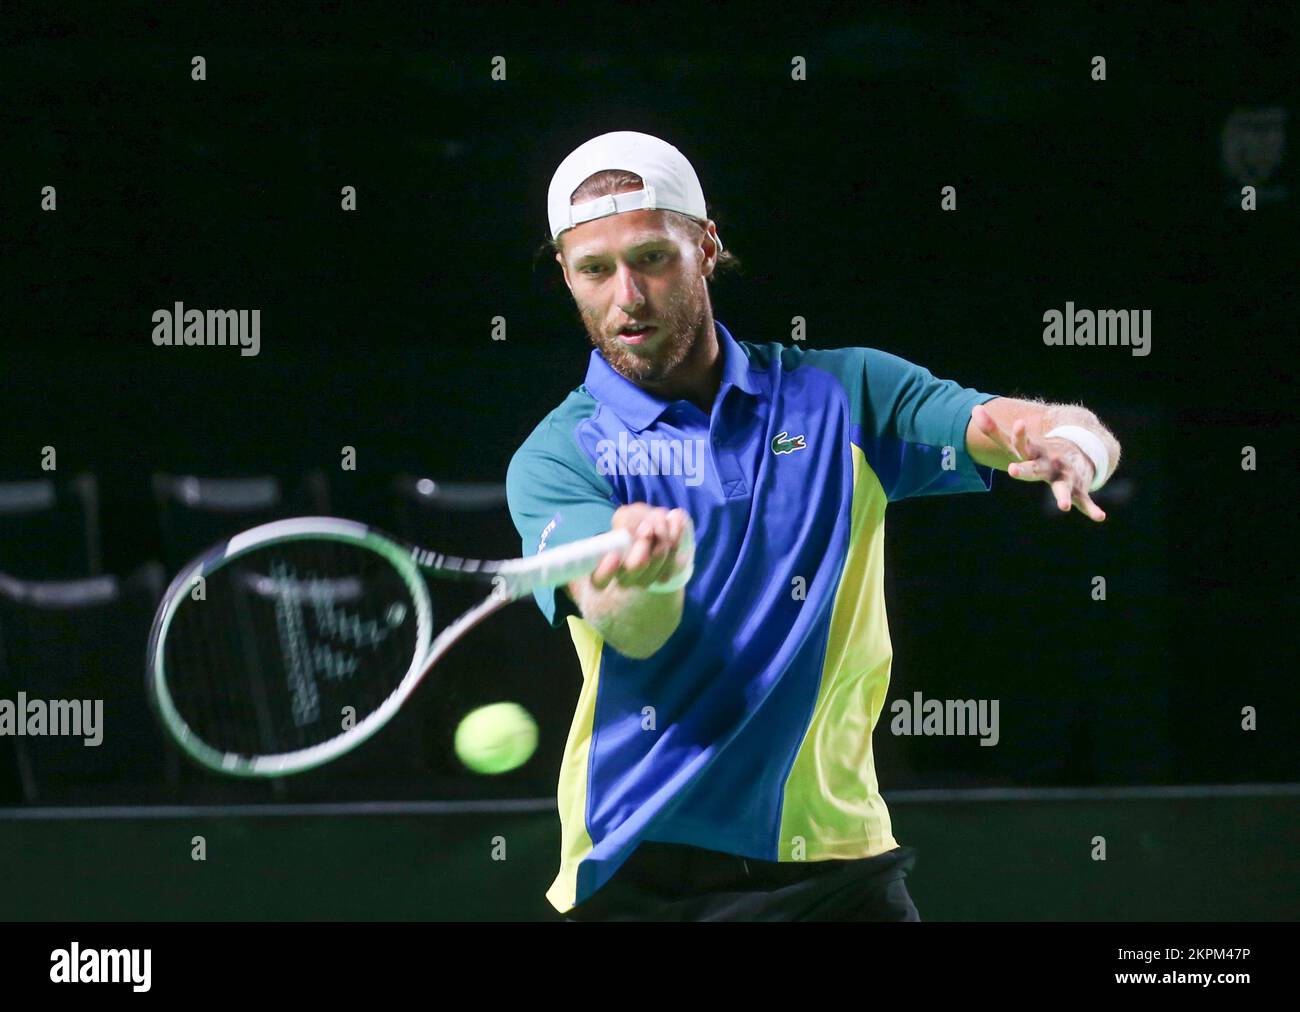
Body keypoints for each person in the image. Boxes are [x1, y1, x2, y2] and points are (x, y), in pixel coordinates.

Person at [506, 131, 1121, 921]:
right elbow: (631, 627)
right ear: (567, 274)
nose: (627, 295)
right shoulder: (559, 456)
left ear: (705, 247)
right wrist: (645, 577)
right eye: (595, 270)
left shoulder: (844, 394)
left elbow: (1021, 425)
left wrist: (1069, 444)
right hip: (647, 867)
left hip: (838, 862)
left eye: (652, 258)